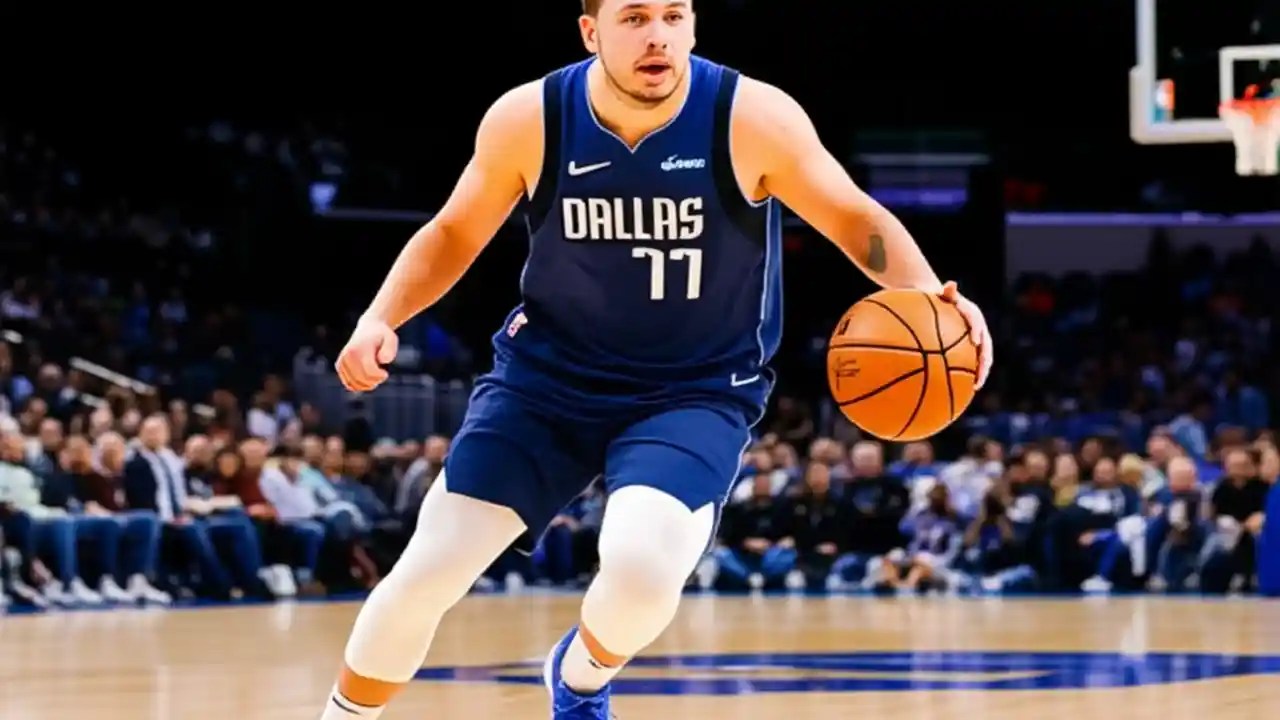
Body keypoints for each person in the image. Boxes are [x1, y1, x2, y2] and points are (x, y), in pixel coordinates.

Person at [321, 1, 992, 718]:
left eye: (674, 15)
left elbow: (853, 217)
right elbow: (454, 231)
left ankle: (577, 678)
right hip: (546, 383)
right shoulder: (530, 117)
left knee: (642, 567)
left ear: (695, 26)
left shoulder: (749, 117)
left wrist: (931, 295)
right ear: (591, 32)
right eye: (635, 17)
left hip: (692, 390)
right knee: (425, 572)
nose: (657, 36)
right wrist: (380, 316)